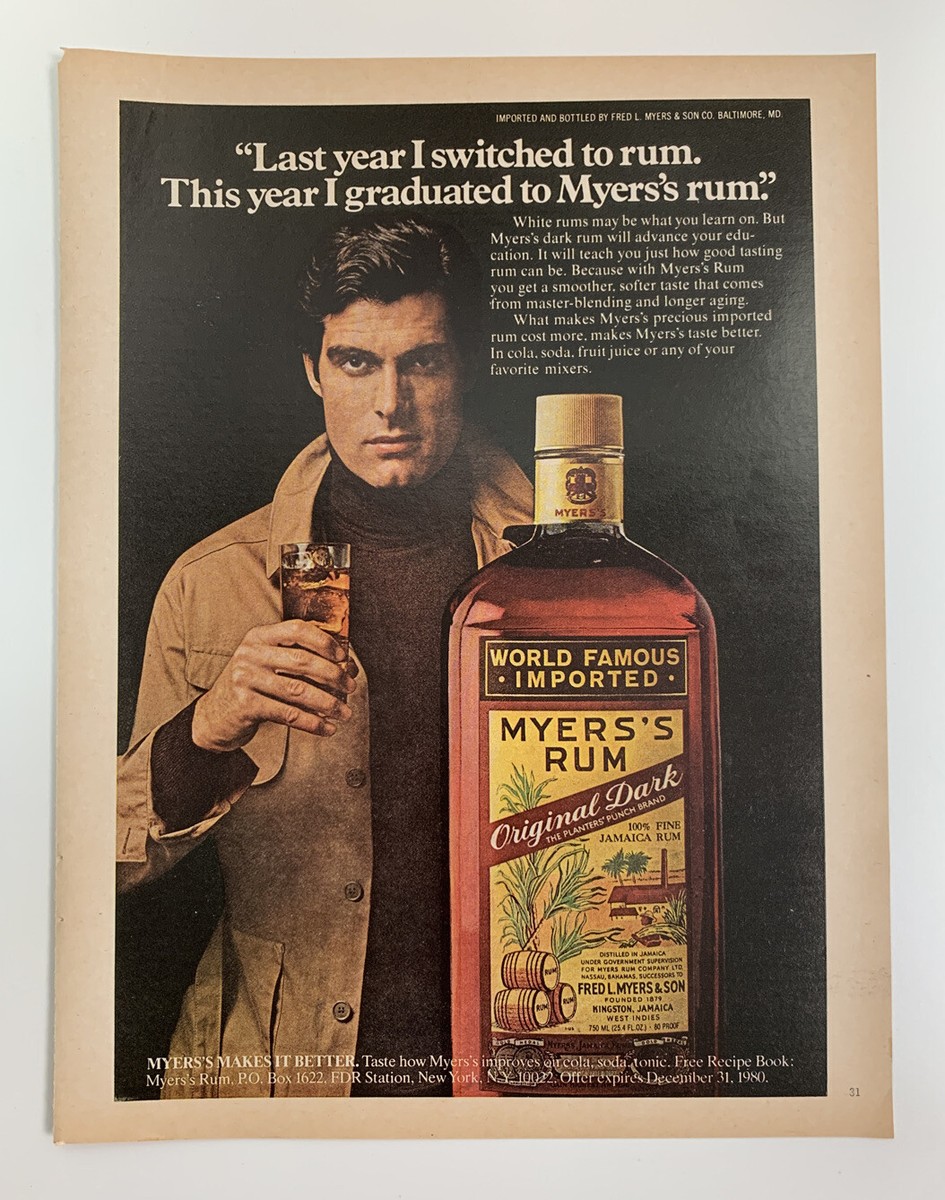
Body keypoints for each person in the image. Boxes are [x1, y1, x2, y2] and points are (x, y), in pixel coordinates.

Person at [116, 217, 533, 1099]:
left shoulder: (565, 573)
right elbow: (107, 865)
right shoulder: (210, 582)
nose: (390, 403)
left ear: (467, 366)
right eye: (355, 362)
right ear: (312, 371)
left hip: (517, 1054)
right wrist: (207, 728)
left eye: (422, 361)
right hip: (277, 1075)